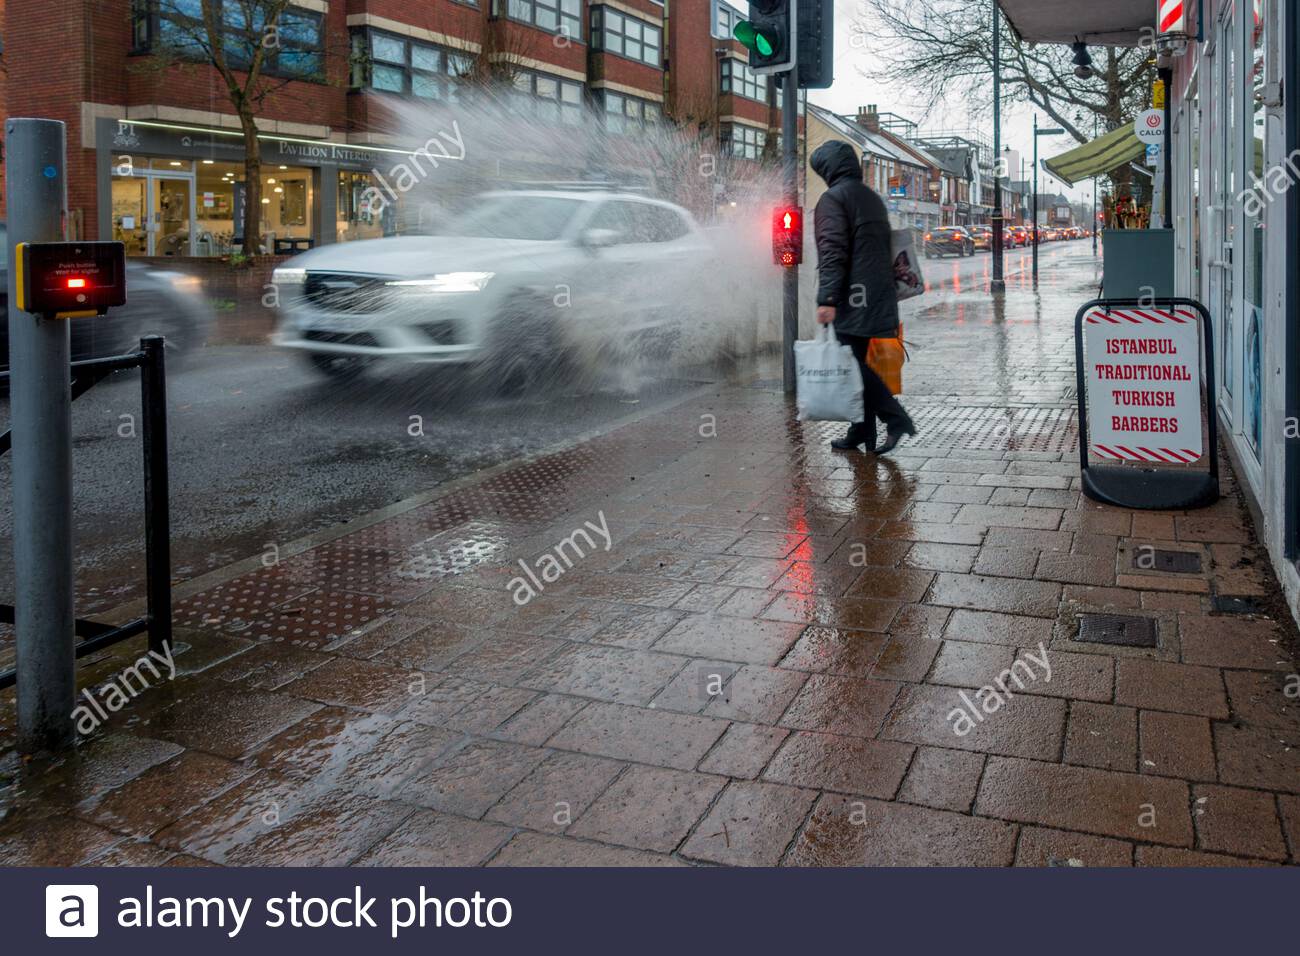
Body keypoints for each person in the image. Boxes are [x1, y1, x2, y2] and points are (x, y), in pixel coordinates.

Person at [810, 140, 916, 454]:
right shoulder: (871, 197)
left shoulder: (833, 198)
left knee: (856, 367)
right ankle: (859, 429)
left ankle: (896, 420)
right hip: (880, 295)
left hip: (853, 298)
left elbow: (833, 251)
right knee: (860, 364)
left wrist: (827, 298)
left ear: (828, 169)